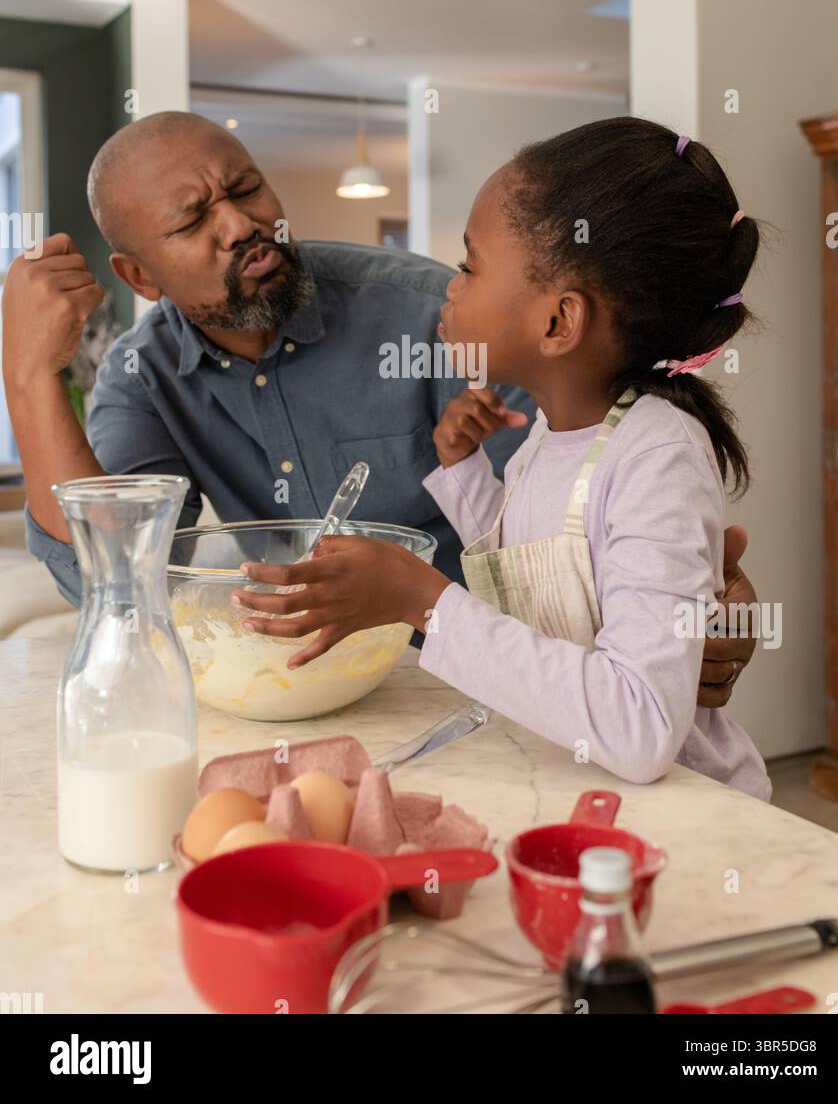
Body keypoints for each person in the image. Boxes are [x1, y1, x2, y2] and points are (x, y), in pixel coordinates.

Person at [2, 110, 755, 702]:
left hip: (502, 692)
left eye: (244, 188)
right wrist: (30, 376)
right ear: (140, 275)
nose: (240, 225)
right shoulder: (147, 377)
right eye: (193, 220)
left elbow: (589, 508)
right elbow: (118, 585)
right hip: (303, 688)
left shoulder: (438, 313)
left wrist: (703, 609)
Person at [232, 118, 771, 797]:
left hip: (691, 810)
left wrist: (424, 602)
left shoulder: (655, 454)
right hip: (582, 786)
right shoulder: (549, 435)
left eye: (469, 266)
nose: (450, 288)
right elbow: (538, 588)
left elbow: (640, 726)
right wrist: (462, 472)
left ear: (556, 323)